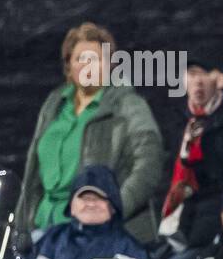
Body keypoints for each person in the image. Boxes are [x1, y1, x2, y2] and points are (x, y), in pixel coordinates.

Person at [16, 22, 164, 243]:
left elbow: (149, 165)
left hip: (102, 236)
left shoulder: (129, 105)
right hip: (45, 228)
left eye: (94, 59)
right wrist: (22, 226)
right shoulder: (55, 104)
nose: (87, 66)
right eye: (80, 59)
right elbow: (33, 173)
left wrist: (113, 209)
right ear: (69, 66)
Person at [154, 60, 223, 259]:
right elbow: (166, 176)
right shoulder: (176, 119)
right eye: (191, 75)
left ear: (220, 80)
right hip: (176, 220)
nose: (197, 82)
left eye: (204, 74)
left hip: (212, 218)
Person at [28, 165, 152, 259]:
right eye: (84, 197)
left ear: (113, 207)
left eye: (99, 198)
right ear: (71, 206)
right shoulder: (48, 239)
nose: (91, 204)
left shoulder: (130, 250)